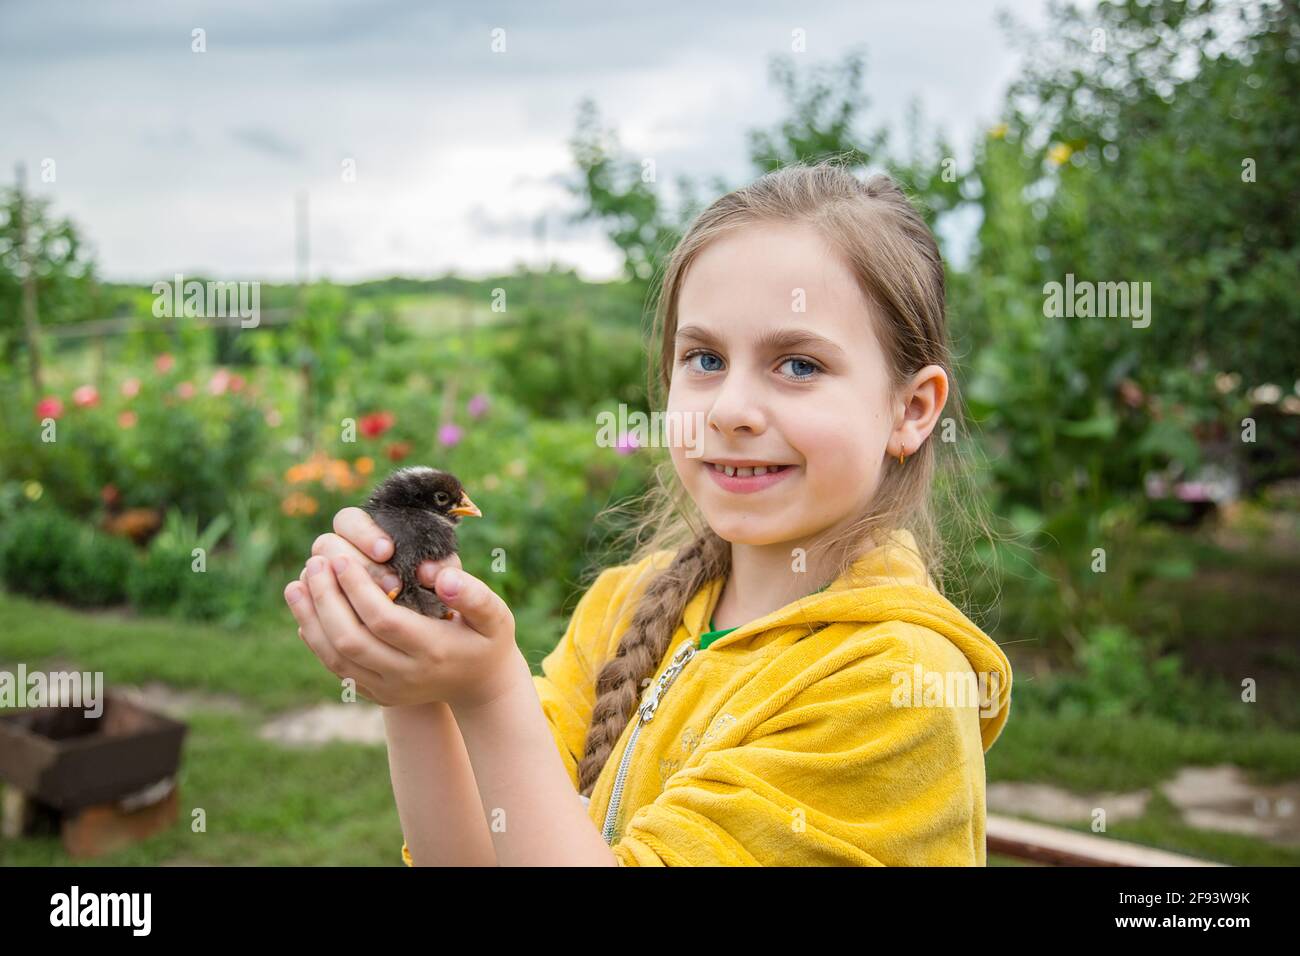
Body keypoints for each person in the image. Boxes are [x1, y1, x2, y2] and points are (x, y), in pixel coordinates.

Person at [284, 159, 1013, 866]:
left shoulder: (895, 686)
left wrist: (488, 690)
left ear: (912, 410)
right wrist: (407, 672)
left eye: (799, 365)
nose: (729, 410)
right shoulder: (626, 608)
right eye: (704, 359)